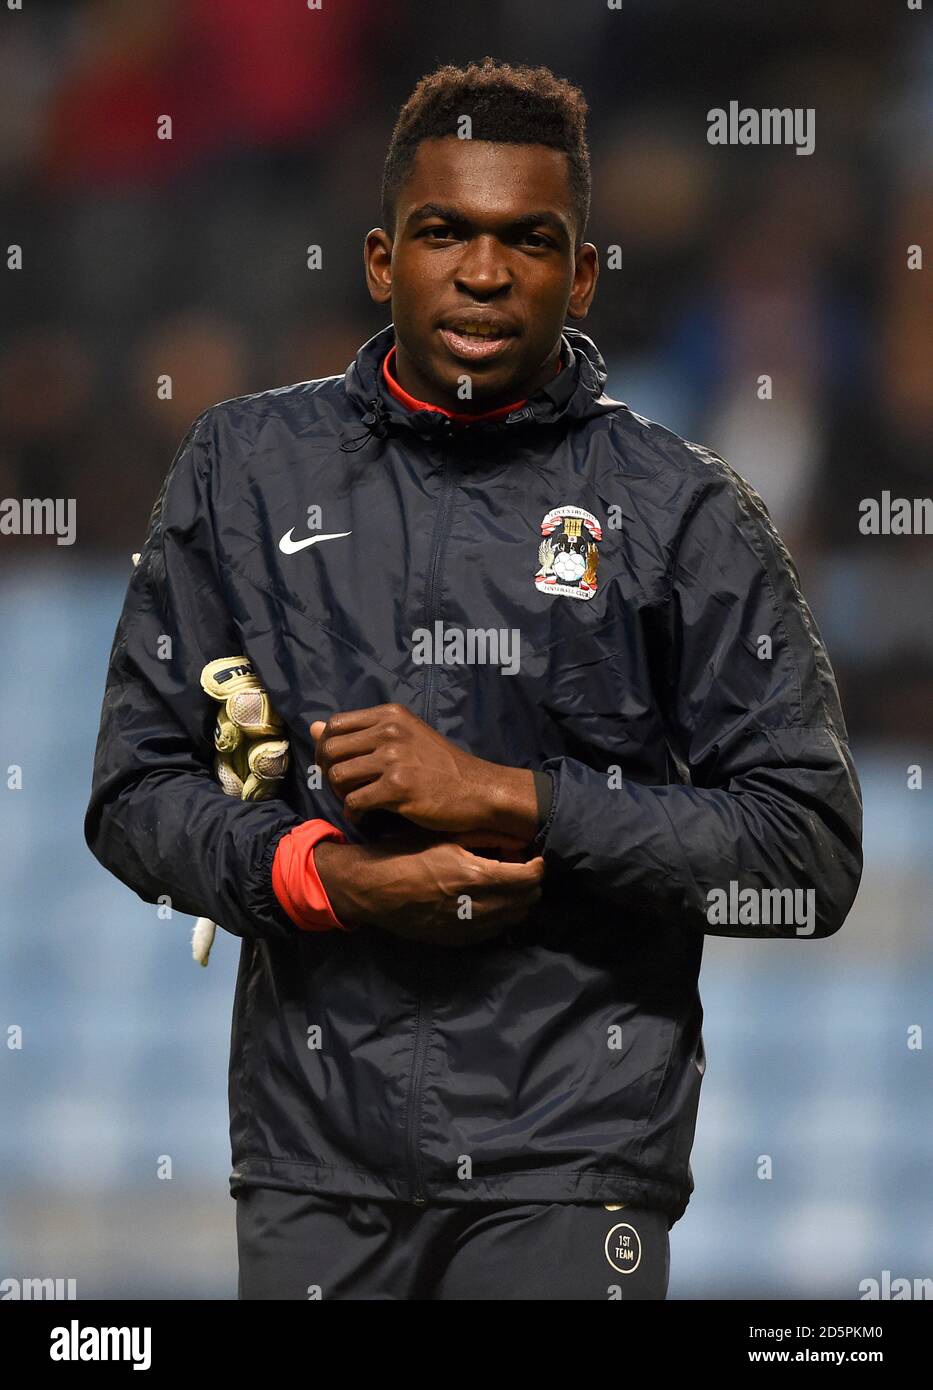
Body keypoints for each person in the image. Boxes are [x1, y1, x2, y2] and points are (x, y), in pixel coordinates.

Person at [84, 58, 863, 1301]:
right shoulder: (246, 471)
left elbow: (807, 855)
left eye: (528, 240)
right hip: (312, 1164)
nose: (486, 273)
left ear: (585, 271)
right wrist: (328, 879)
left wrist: (517, 800)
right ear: (383, 259)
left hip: (572, 1162)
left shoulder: (683, 514)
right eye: (446, 232)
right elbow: (135, 793)